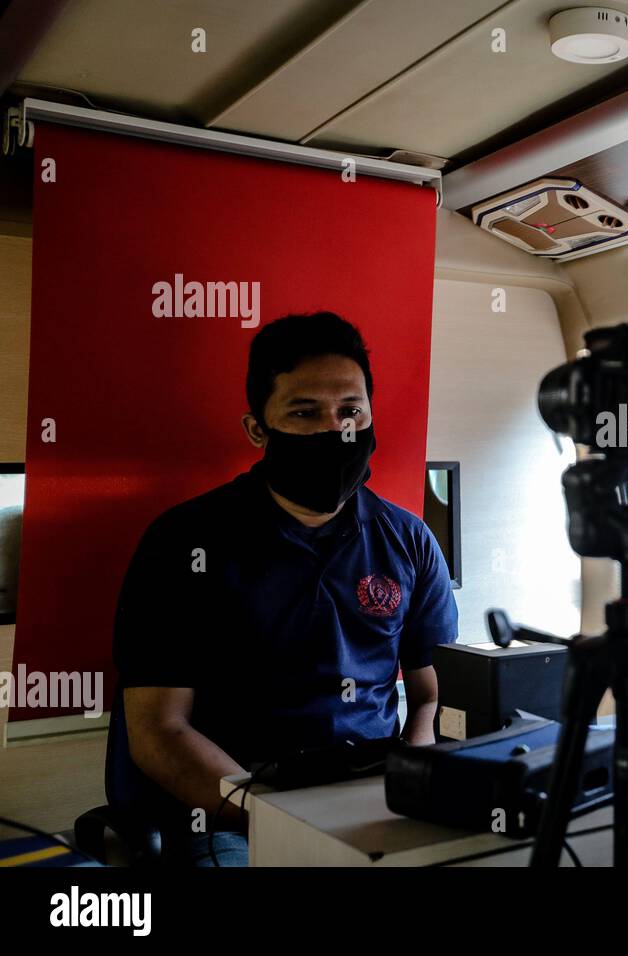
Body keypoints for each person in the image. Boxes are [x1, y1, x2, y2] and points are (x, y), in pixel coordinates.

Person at [113, 312, 457, 866]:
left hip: (376, 794)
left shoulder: (410, 540)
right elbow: (159, 730)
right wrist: (277, 817)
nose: (335, 430)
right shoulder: (182, 543)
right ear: (258, 429)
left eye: (351, 411)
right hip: (237, 805)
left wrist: (414, 783)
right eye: (304, 412)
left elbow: (430, 694)